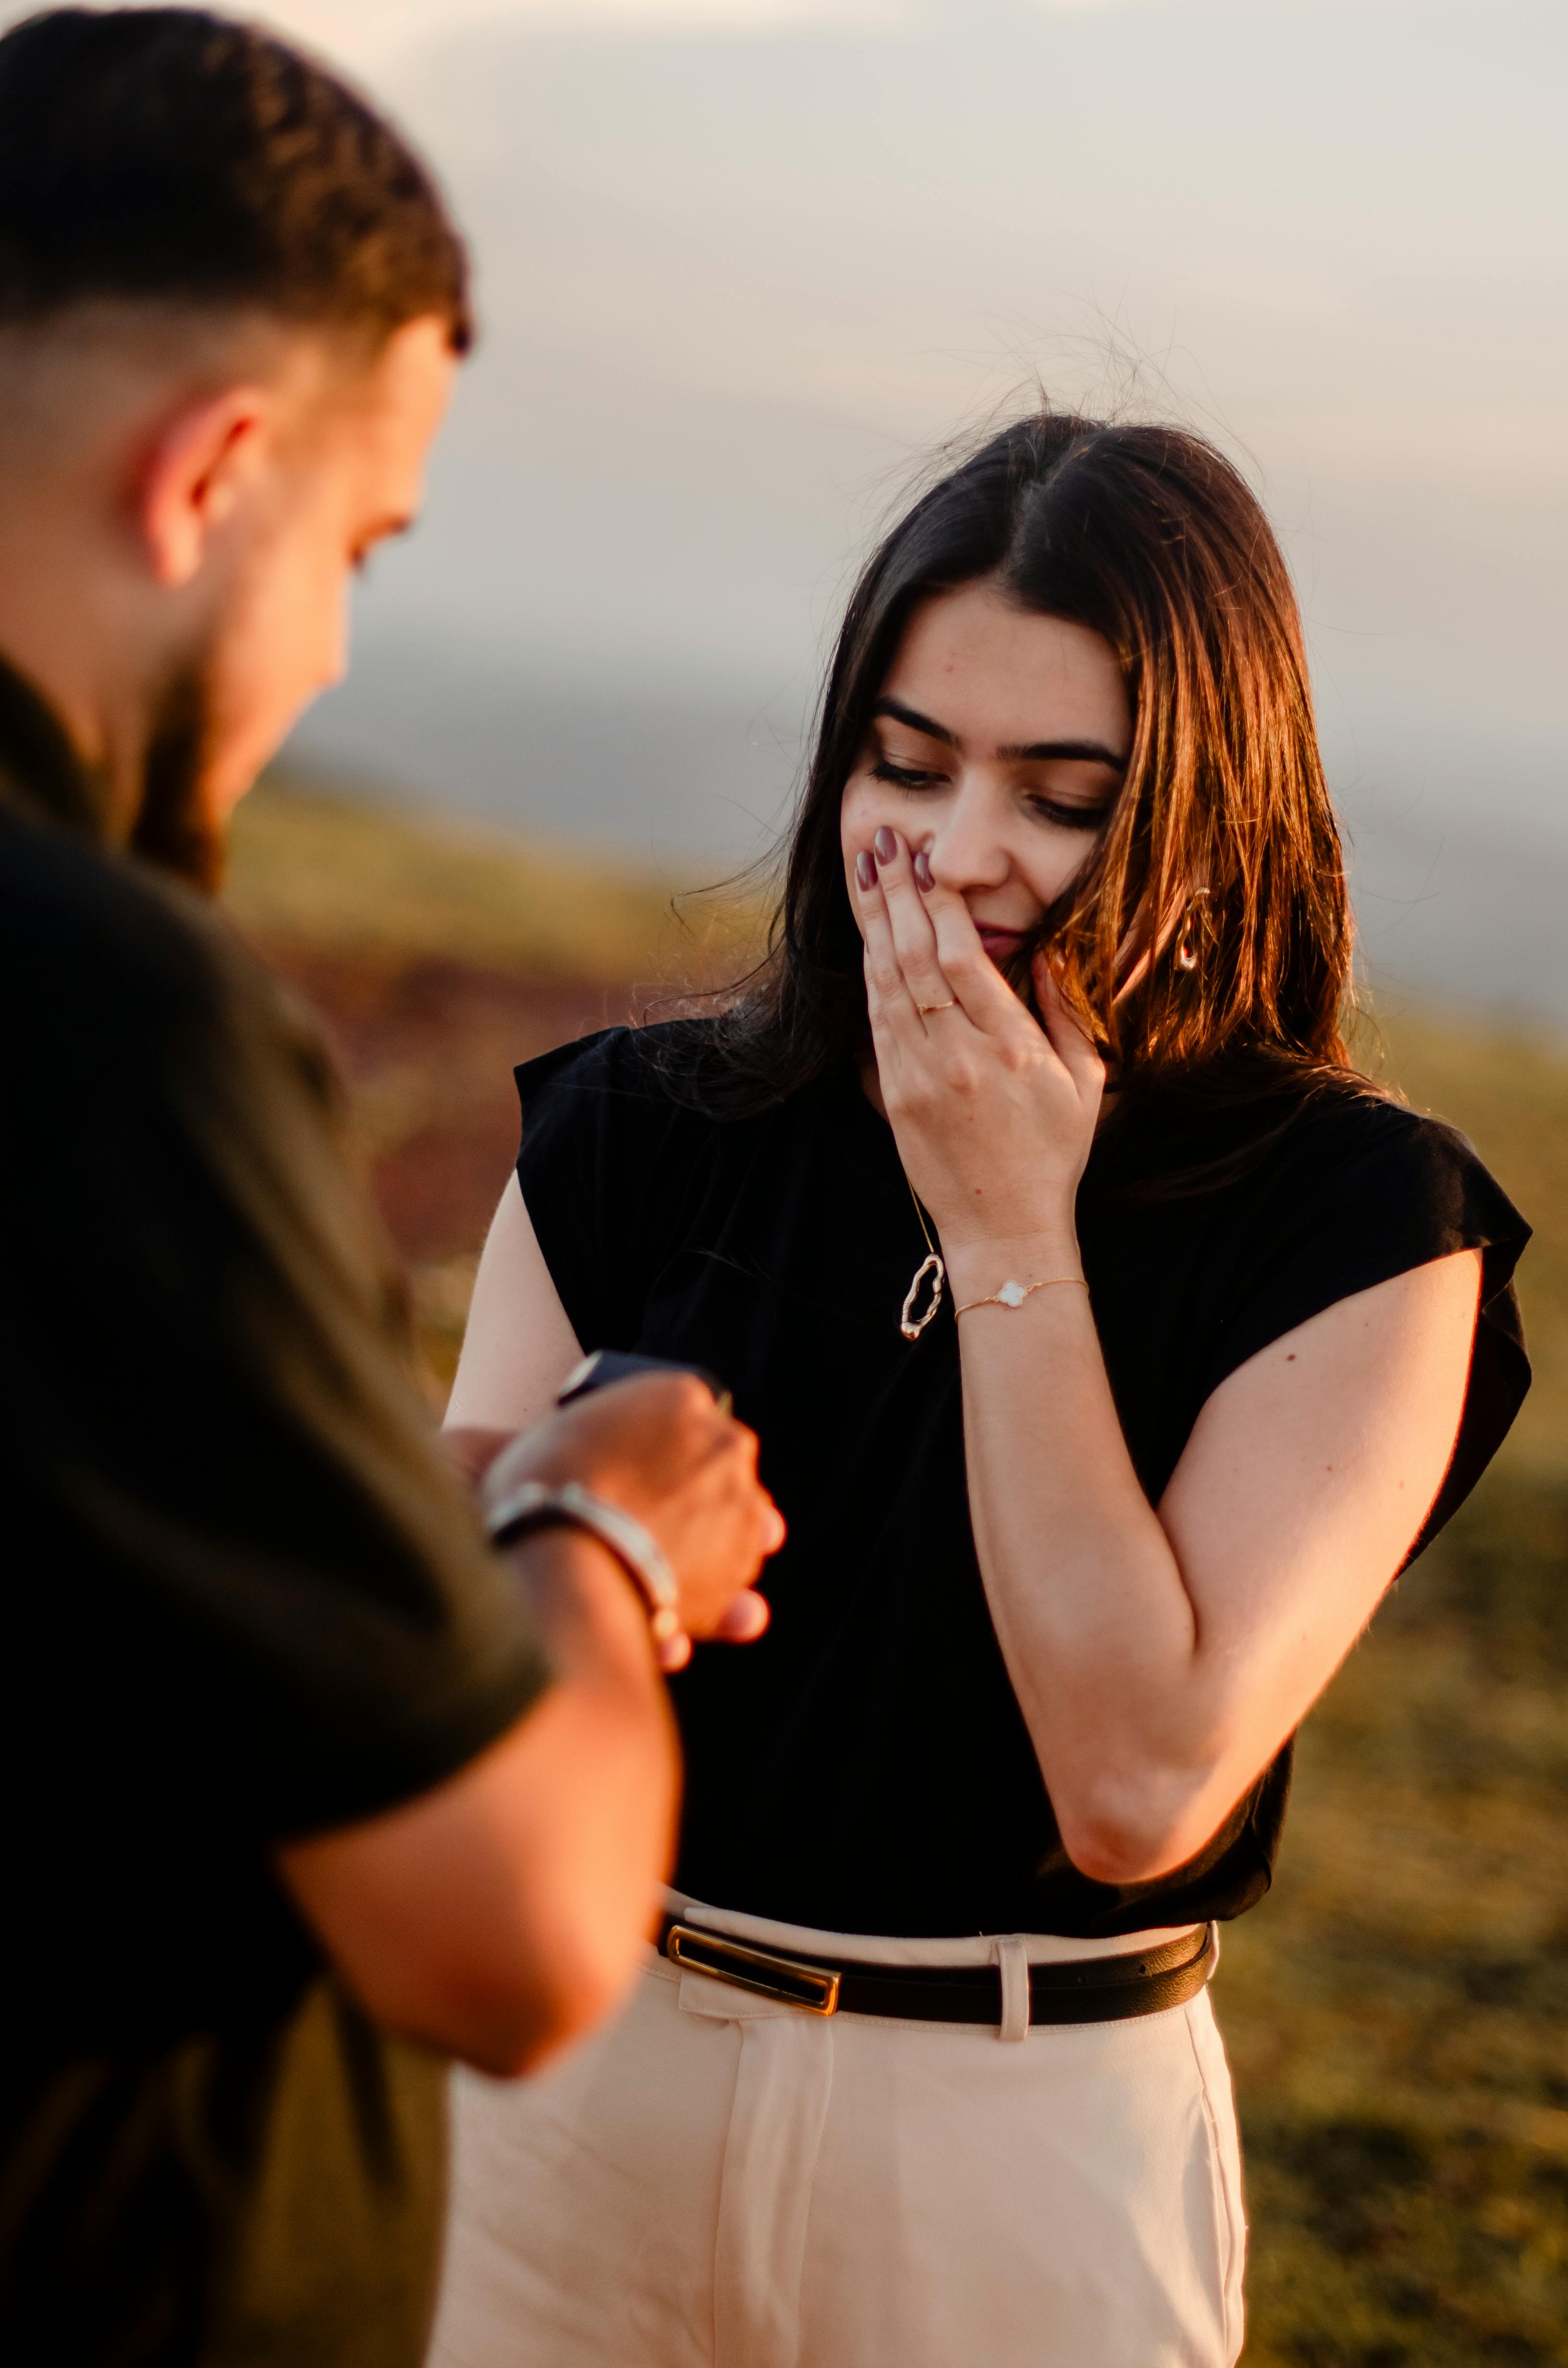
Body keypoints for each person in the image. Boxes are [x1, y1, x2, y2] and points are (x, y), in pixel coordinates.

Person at [430, 413, 1531, 2368]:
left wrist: (1013, 1223)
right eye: (907, 762)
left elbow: (1133, 1782)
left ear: (1208, 805)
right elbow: (441, 1628)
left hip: (1018, 2142)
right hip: (569, 2090)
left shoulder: (1363, 1221)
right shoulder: (634, 1132)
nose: (956, 854)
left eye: (1064, 794)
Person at [0, 12, 782, 2367]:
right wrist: (603, 1525)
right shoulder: (92, 1010)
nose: (331, 649)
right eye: (355, 545)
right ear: (212, 472)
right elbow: (513, 1930)